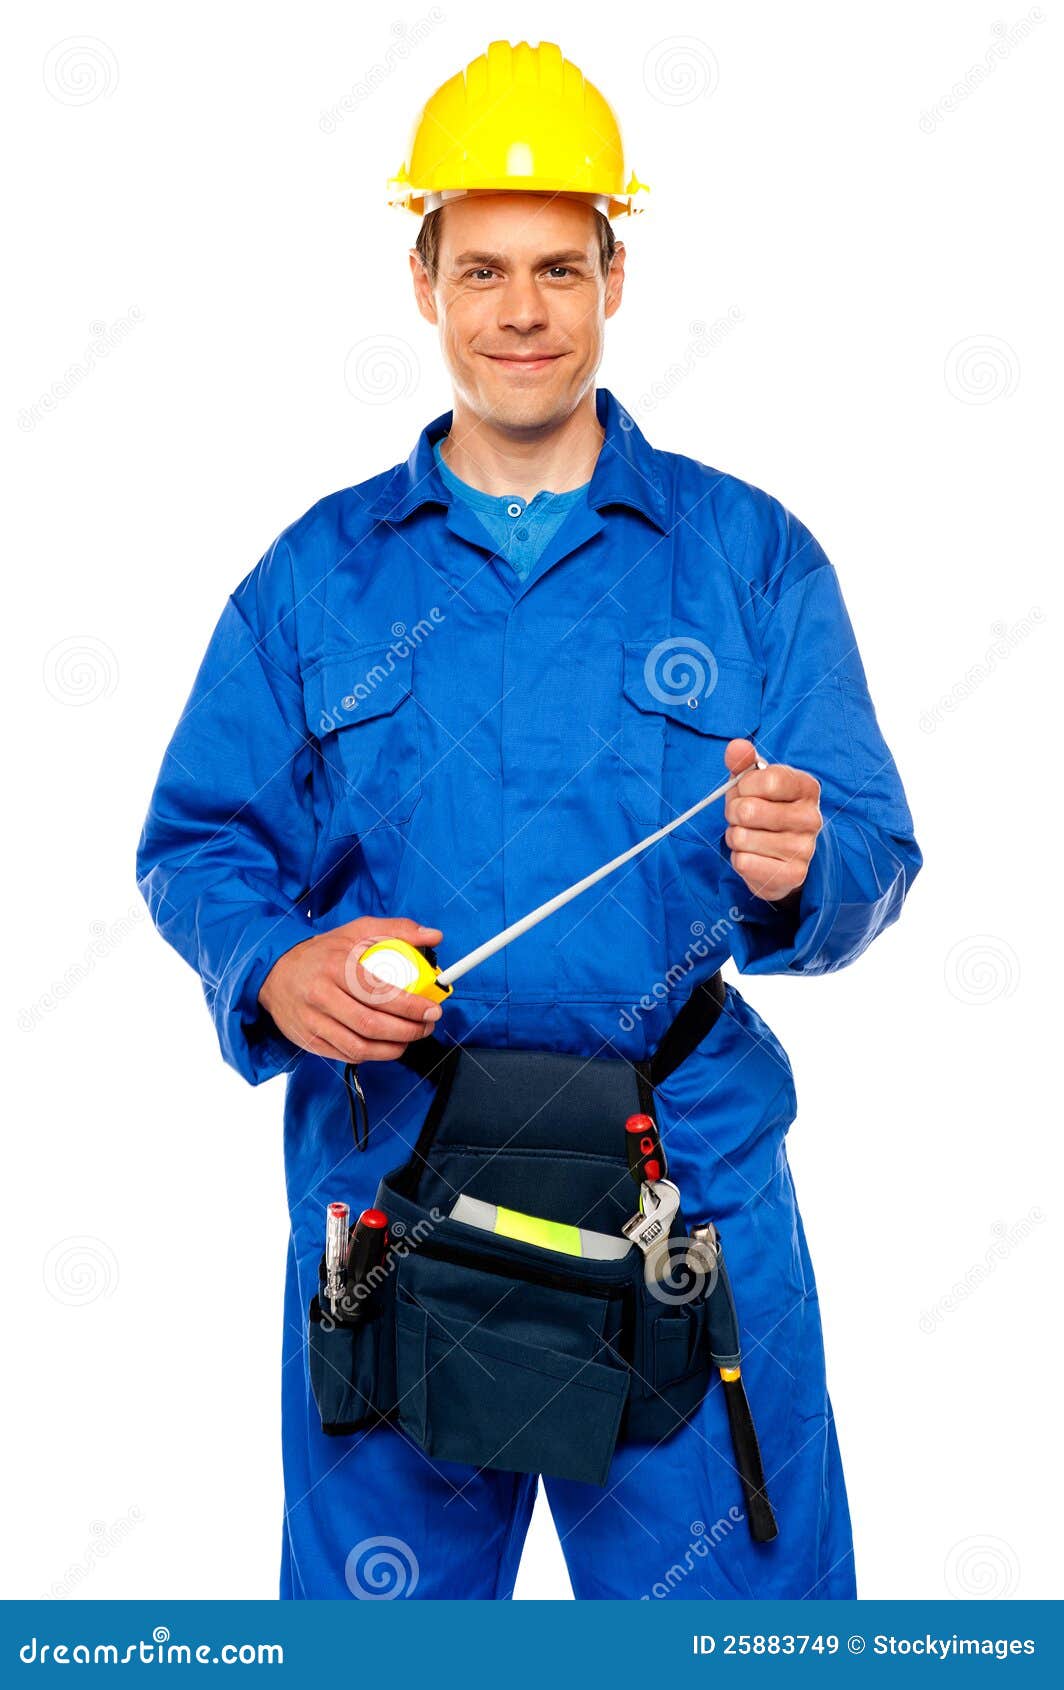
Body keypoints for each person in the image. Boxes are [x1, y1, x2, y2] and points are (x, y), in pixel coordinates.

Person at [136, 40, 921, 1600]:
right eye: (482, 267)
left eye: (560, 266)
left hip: (681, 1194)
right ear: (423, 277)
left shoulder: (751, 559)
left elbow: (873, 849)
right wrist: (276, 968)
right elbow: (198, 843)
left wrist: (804, 864)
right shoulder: (319, 576)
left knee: (740, 1645)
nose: (521, 312)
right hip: (394, 1197)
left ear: (616, 275)